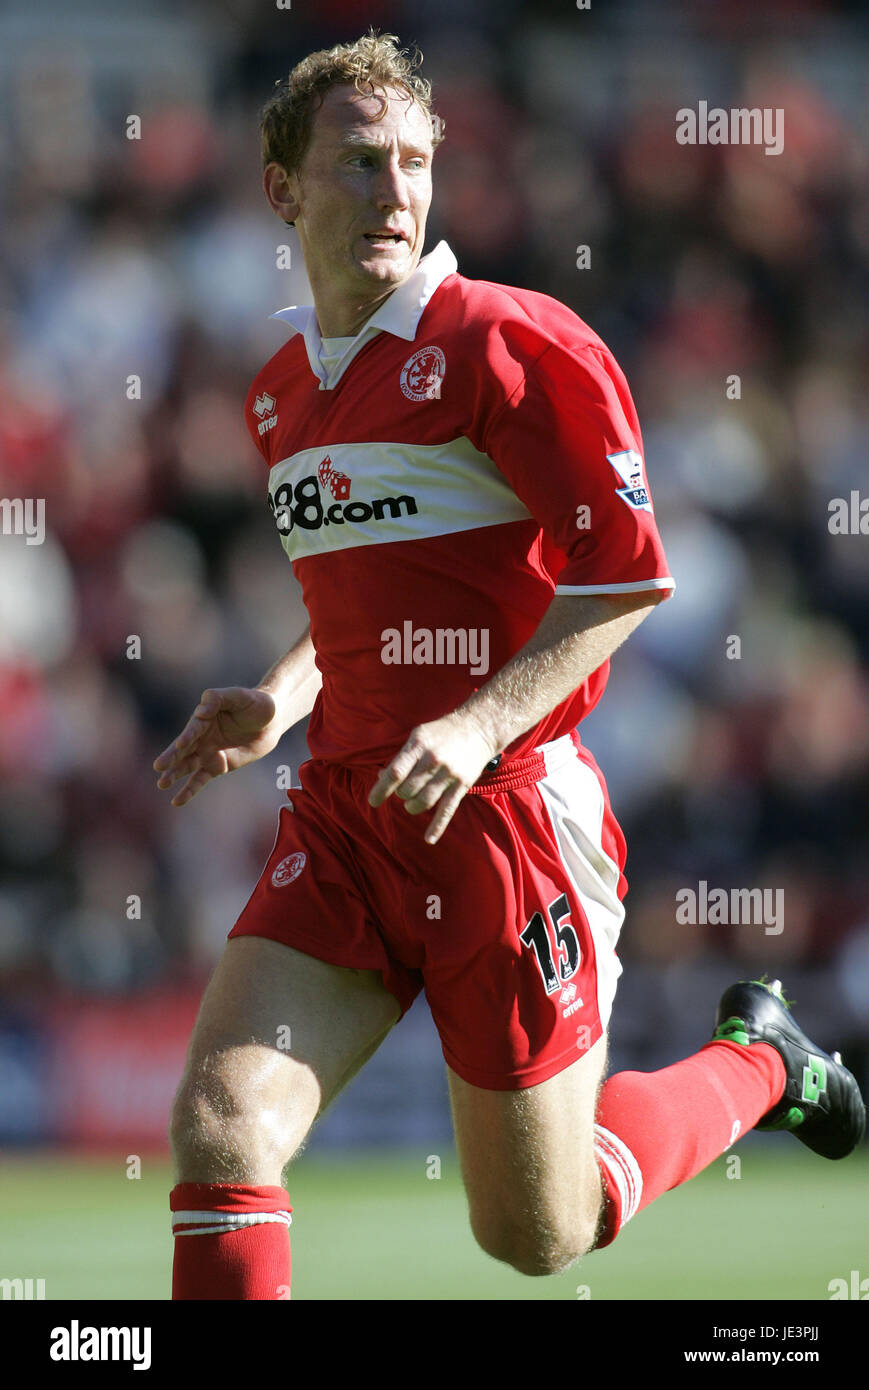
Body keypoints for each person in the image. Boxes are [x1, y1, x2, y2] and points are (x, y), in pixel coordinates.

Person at [154, 31, 865, 1300]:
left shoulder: (512, 343)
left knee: (538, 1233)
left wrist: (479, 724)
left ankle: (759, 1060)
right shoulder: (279, 396)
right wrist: (283, 697)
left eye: (414, 163)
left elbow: (625, 576)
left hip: (508, 818)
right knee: (221, 1126)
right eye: (359, 162)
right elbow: (360, 606)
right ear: (282, 191)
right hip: (351, 817)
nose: (392, 191)